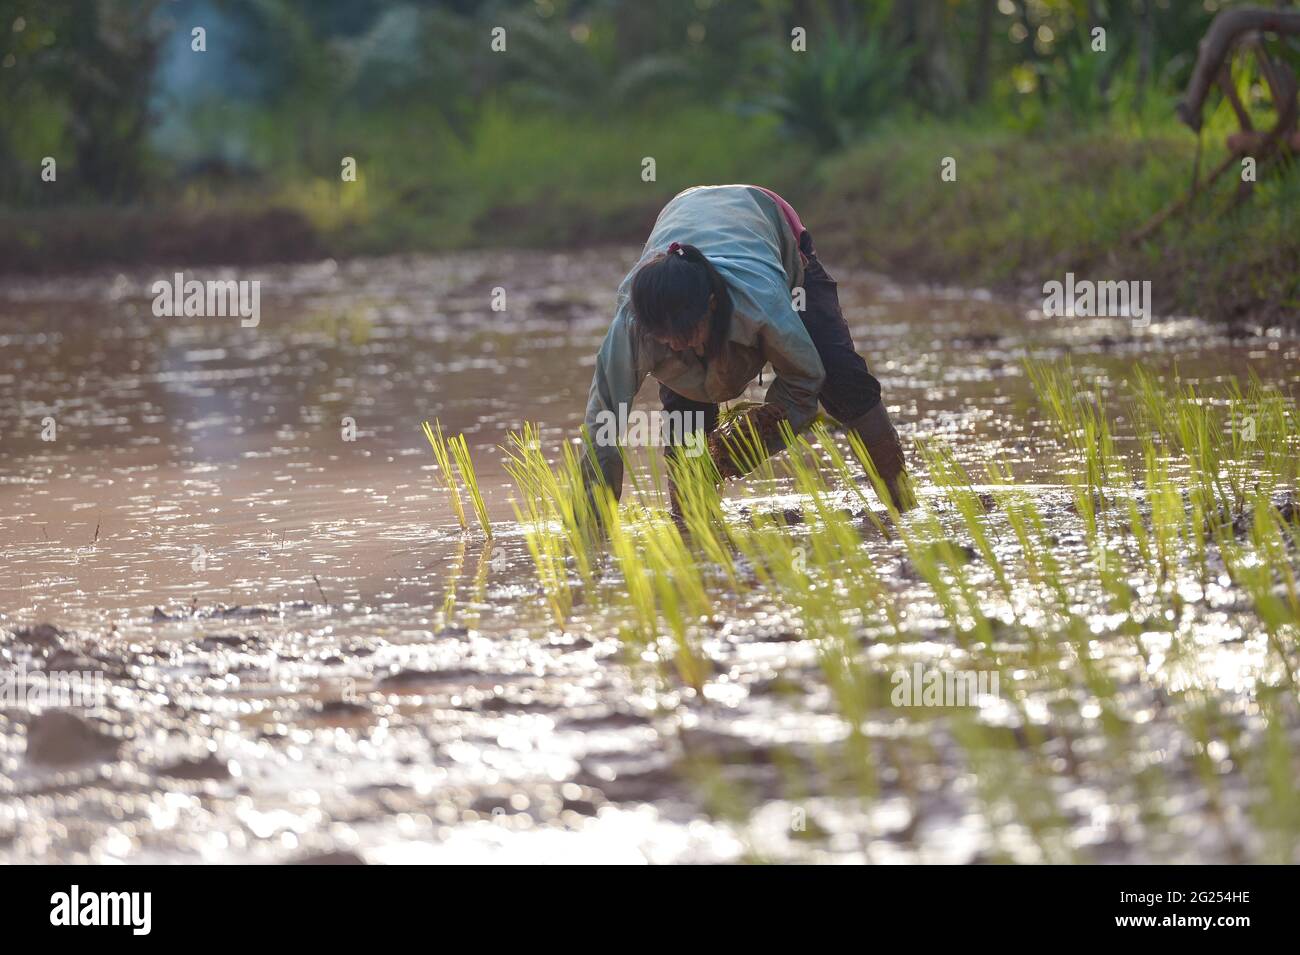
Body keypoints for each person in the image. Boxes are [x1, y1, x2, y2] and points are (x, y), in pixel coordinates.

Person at [583, 184, 913, 513]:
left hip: (768, 223)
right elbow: (604, 420)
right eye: (663, 338)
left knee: (842, 377)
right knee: (687, 423)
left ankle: (903, 503)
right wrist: (592, 524)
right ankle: (694, 527)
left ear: (711, 306)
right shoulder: (633, 325)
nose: (673, 344)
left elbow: (803, 382)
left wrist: (750, 444)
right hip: (685, 213)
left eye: (684, 334)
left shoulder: (761, 303)